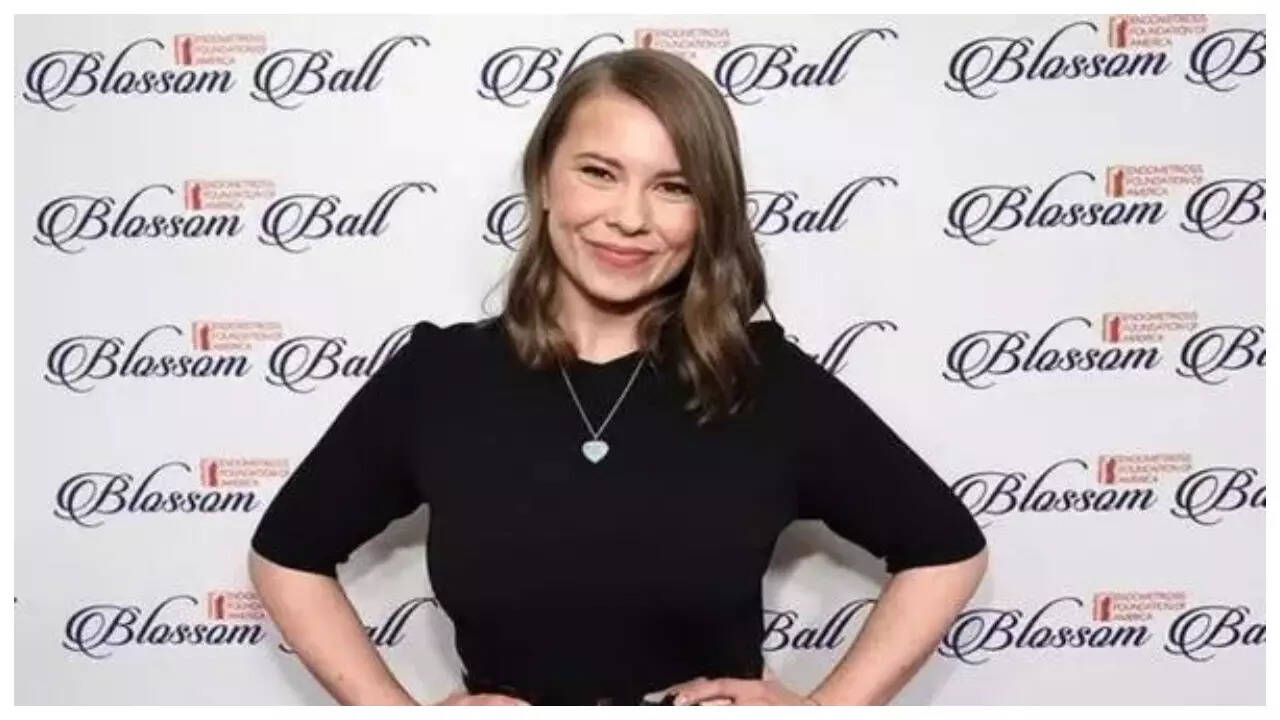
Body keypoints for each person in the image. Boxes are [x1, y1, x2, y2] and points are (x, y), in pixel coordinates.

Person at [247, 47, 988, 706]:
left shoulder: (763, 382)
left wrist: (826, 708)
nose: (631, 218)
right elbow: (286, 557)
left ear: (709, 211)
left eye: (674, 187)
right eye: (599, 173)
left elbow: (947, 552)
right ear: (545, 179)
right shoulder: (440, 378)